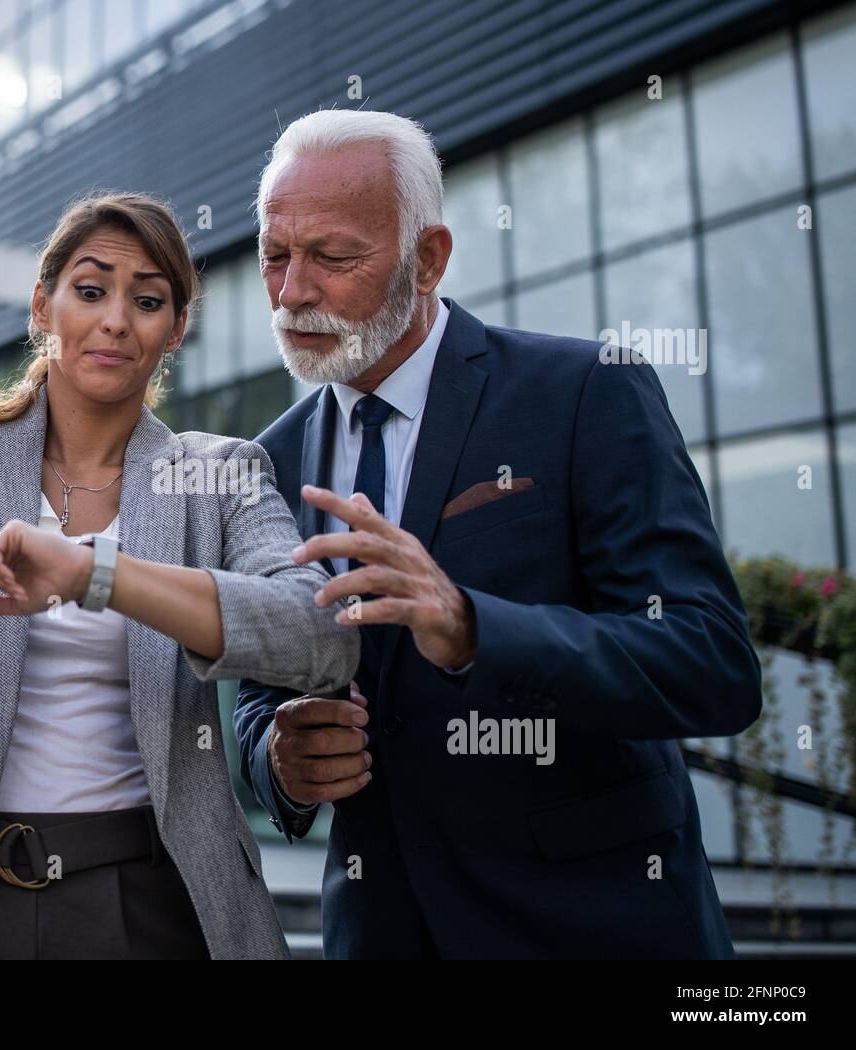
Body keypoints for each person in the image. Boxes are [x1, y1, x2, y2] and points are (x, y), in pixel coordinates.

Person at [0, 191, 359, 960]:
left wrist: (94, 572)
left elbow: (319, 634)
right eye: (90, 290)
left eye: (147, 300)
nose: (116, 319)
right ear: (42, 304)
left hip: (146, 893)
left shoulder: (220, 474)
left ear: (175, 329)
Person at [233, 109, 763, 959]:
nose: (293, 291)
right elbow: (262, 686)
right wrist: (276, 757)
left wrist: (474, 626)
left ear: (430, 258)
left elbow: (712, 665)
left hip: (593, 929)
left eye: (332, 258)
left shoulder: (587, 391)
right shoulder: (267, 461)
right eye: (274, 255)